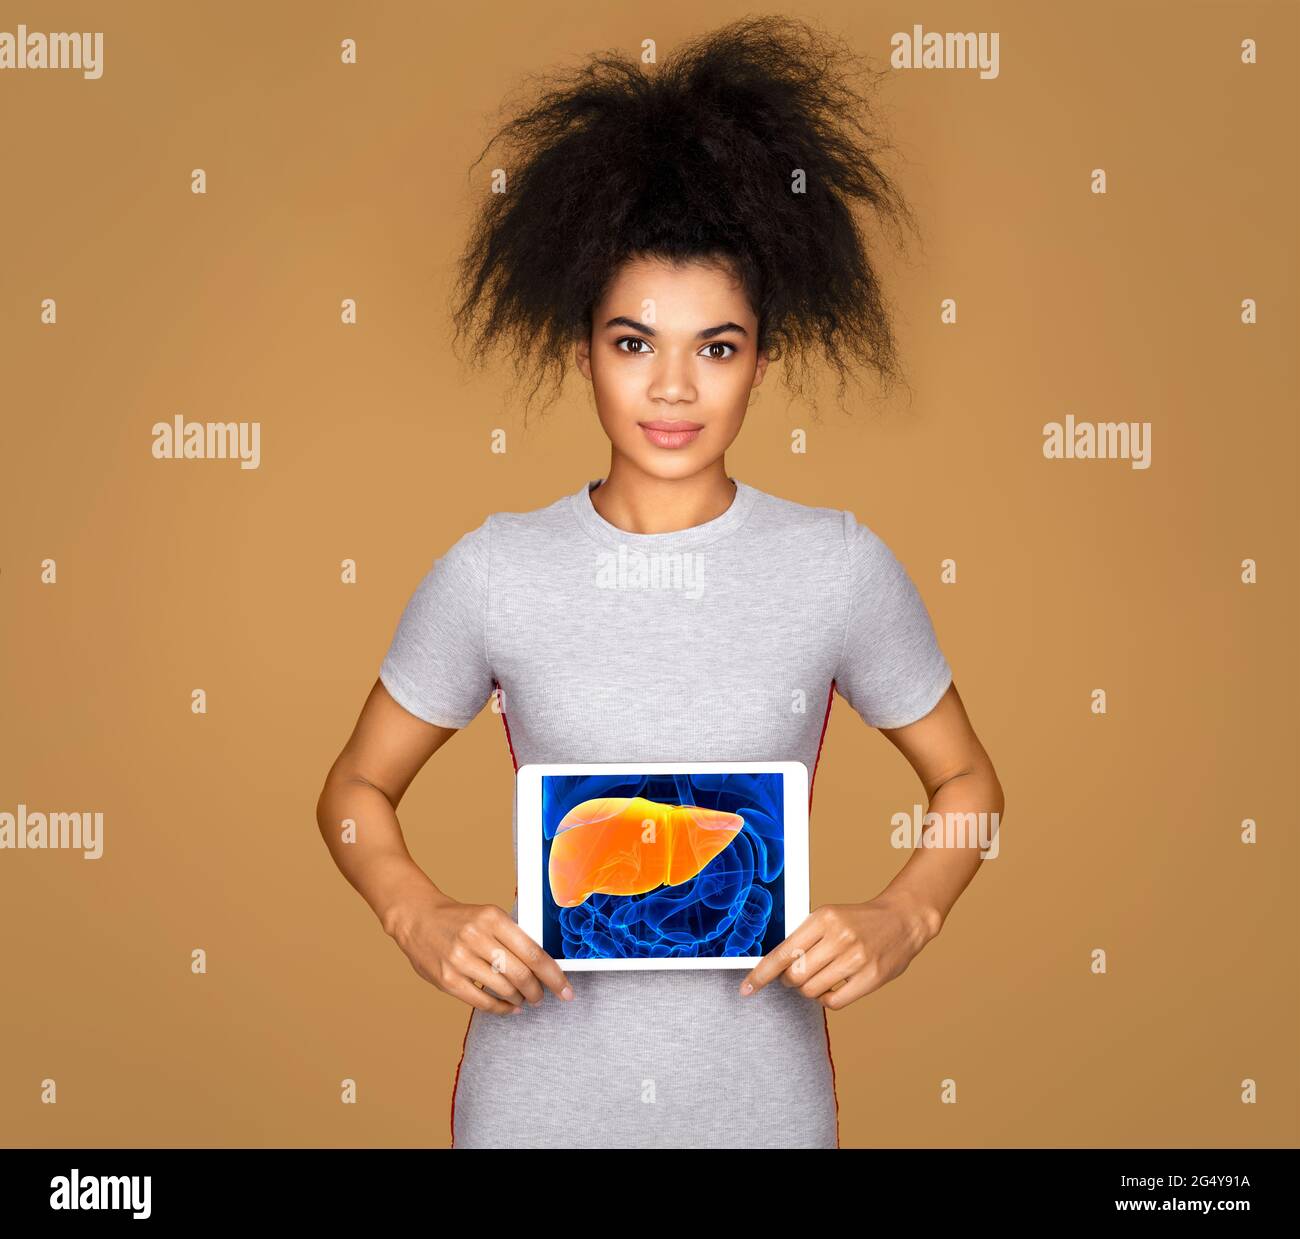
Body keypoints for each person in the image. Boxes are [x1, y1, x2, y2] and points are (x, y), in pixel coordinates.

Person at [315, 15, 1005, 1150]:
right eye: (634, 343)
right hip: (533, 1108)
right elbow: (353, 797)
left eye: (716, 346)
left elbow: (968, 785)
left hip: (763, 1109)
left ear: (763, 357)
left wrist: (904, 916)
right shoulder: (493, 570)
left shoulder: (836, 566)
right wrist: (418, 914)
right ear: (578, 349)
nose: (674, 387)